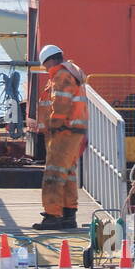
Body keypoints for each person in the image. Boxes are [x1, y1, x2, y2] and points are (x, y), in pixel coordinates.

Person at [27, 44, 88, 231]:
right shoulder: (69, 74)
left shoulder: (61, 76)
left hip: (63, 131)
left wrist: (53, 128)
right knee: (67, 173)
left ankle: (53, 215)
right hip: (71, 131)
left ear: (51, 61)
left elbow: (60, 105)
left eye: (45, 66)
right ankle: (69, 215)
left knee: (53, 173)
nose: (46, 70)